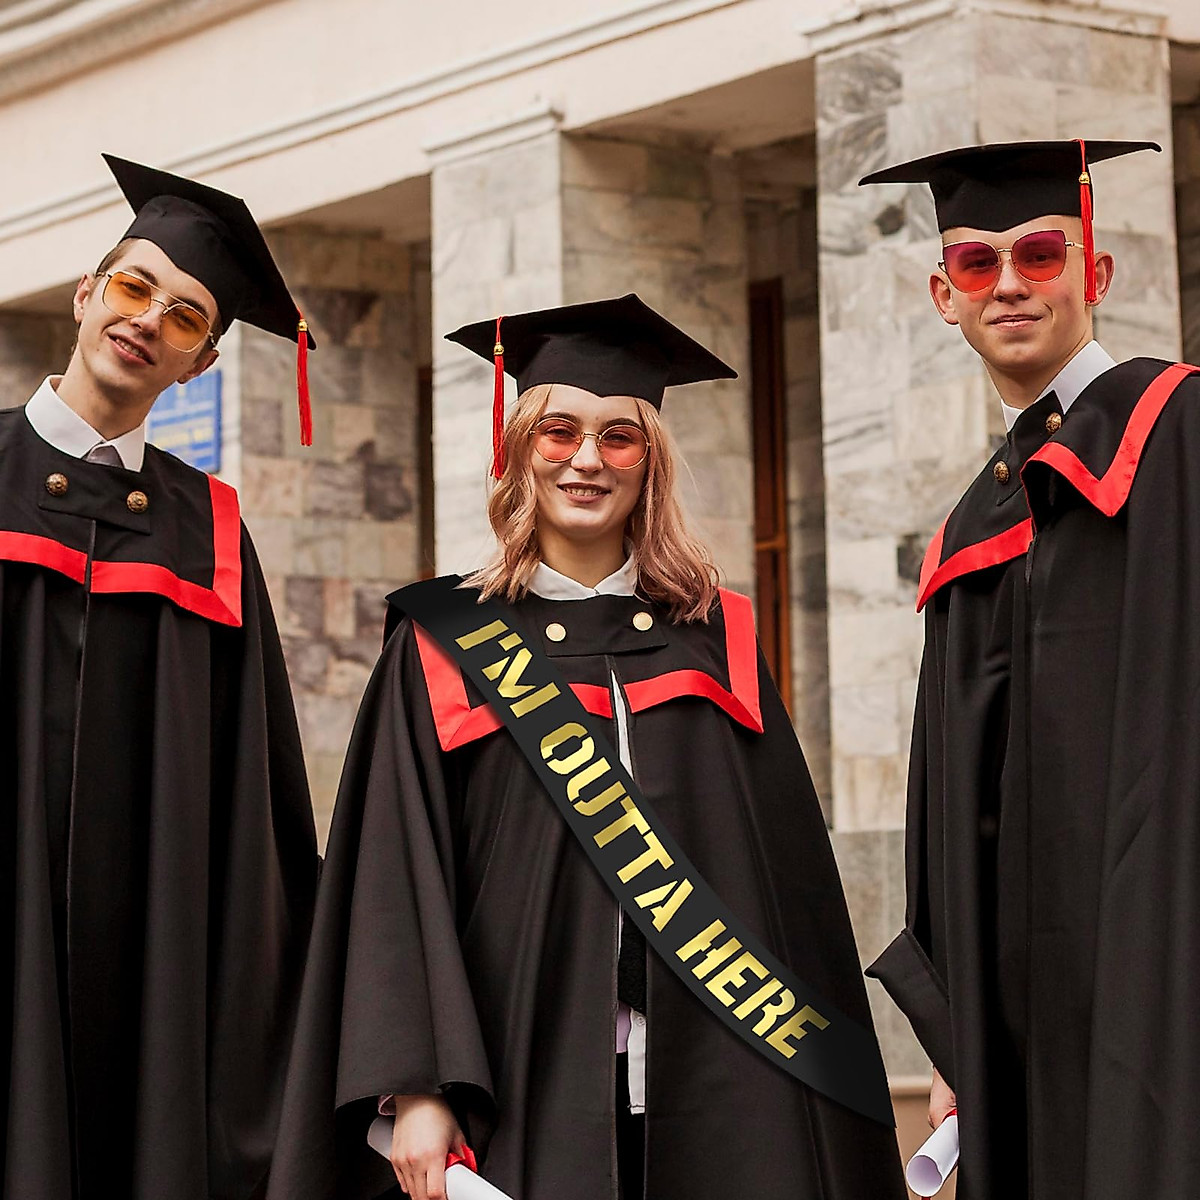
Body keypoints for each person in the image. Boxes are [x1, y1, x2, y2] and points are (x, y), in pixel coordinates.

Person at [267, 294, 906, 1200]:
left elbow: (785, 881)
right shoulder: (445, 641)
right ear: (519, 447)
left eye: (619, 437)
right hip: (517, 1068)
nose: (586, 460)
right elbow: (393, 875)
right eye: (558, 431)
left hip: (724, 1076)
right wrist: (415, 1084)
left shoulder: (715, 637)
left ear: (651, 463)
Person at [859, 138, 1200, 1198]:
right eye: (976, 264)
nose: (1009, 282)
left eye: (1041, 253)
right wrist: (955, 1029)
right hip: (1026, 1020)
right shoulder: (977, 520)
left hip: (1170, 960)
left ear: (1094, 274)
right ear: (943, 298)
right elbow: (953, 797)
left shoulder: (1182, 430)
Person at [0, 154, 319, 1199]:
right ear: (87, 296)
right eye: (134, 288)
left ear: (200, 364)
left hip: (148, 963)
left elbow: (258, 800)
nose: (147, 319)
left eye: (183, 315)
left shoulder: (210, 530)